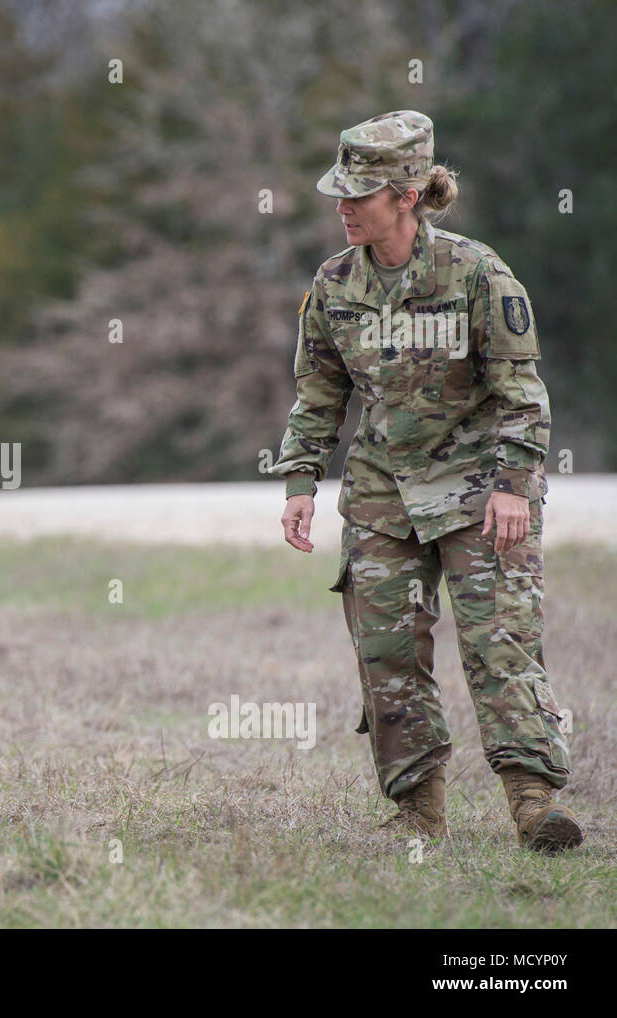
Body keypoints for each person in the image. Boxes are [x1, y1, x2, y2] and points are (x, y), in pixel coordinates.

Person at [270, 111, 582, 851]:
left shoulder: (478, 274)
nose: (343, 207)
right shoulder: (334, 285)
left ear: (408, 194)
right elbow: (318, 393)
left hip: (481, 486)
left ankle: (534, 804)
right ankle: (418, 811)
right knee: (386, 655)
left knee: (499, 645)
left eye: (360, 194)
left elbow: (521, 391)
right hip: (384, 493)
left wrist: (514, 482)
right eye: (339, 193)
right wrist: (299, 482)